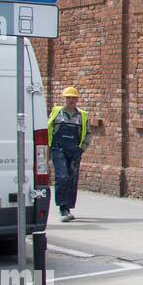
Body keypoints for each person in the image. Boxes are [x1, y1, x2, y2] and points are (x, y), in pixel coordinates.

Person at [48, 86, 90, 222]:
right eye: (68, 97)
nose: (71, 100)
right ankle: (62, 207)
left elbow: (88, 134)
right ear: (64, 98)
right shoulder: (56, 112)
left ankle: (67, 207)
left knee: (72, 179)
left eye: (73, 98)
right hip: (58, 148)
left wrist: (81, 148)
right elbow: (48, 128)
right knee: (62, 177)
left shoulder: (82, 115)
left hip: (74, 150)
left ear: (77, 99)